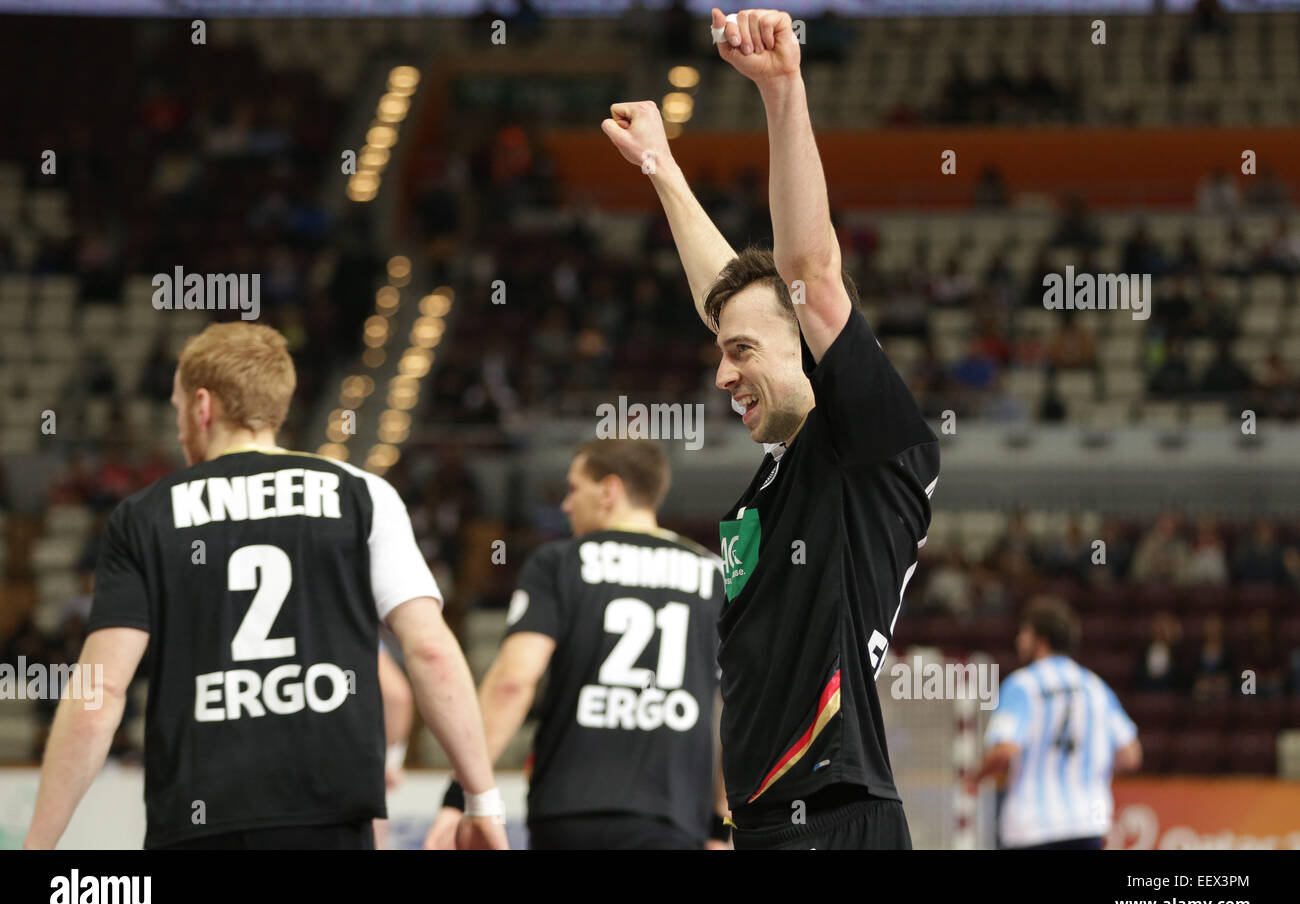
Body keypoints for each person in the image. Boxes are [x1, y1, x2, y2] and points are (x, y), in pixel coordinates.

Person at [600, 7, 939, 850]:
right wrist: (662, 170)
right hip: (762, 824)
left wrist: (783, 90)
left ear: (811, 350)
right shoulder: (780, 468)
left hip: (836, 820)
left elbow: (808, 278)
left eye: (741, 353)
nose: (722, 375)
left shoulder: (870, 444)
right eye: (721, 353)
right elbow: (735, 296)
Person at [24, 323, 506, 850]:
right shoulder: (363, 495)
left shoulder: (143, 516)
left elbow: (99, 694)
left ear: (202, 405)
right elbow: (430, 651)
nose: (180, 428)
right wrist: (480, 799)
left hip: (196, 824)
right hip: (330, 821)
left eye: (178, 407)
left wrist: (39, 847)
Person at [426, 439, 728, 849]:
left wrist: (460, 796)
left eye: (573, 489)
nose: (566, 505)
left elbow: (512, 682)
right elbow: (729, 708)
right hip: (672, 816)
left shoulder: (558, 562)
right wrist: (718, 824)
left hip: (568, 812)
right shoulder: (713, 576)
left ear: (609, 491)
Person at [969, 596, 1142, 849]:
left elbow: (1005, 749)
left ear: (1041, 640)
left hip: (1032, 825)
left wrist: (976, 778)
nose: (1019, 640)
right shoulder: (1095, 687)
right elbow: (1130, 755)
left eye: (1024, 633)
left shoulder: (1023, 685)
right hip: (1088, 823)